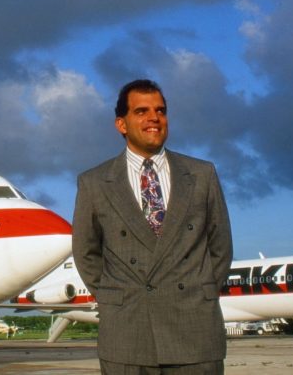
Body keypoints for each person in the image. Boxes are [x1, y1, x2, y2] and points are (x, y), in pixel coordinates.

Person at [72, 79, 233, 375]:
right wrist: (117, 295)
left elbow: (221, 247)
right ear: (121, 124)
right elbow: (85, 253)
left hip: (195, 329)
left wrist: (199, 290)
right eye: (141, 111)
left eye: (160, 110)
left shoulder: (202, 174)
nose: (154, 118)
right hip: (127, 332)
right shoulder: (94, 183)